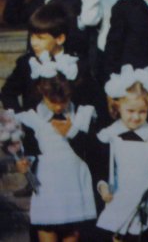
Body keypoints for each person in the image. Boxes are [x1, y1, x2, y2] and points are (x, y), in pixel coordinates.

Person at [15, 54, 98, 242]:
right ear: (41, 92)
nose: (59, 107)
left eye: (64, 100)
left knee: (72, 232)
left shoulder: (82, 116)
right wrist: (26, 167)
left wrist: (72, 132)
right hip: (48, 186)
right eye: (53, 101)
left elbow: (92, 153)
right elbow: (31, 156)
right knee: (47, 228)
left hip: (73, 185)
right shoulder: (33, 119)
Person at [96, 65, 148, 240]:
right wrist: (103, 187)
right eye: (130, 111)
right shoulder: (109, 136)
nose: (136, 117)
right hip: (118, 200)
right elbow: (101, 170)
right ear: (117, 106)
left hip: (145, 202)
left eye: (142, 112)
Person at [1, 4, 101, 117]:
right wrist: (21, 118)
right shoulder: (27, 63)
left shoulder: (76, 64)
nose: (34, 42)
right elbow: (7, 93)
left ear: (60, 39)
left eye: (41, 38)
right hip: (36, 125)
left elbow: (93, 99)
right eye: (32, 36)